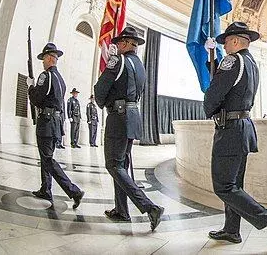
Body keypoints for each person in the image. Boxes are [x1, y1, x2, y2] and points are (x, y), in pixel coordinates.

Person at [204, 22, 267, 250]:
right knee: (234, 185)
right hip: (242, 127)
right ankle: (232, 230)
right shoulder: (250, 62)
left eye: (225, 43)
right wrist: (211, 62)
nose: (225, 48)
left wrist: (208, 107)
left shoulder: (232, 61)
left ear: (234, 41)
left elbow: (216, 92)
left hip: (230, 129)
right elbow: (233, 86)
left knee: (223, 186)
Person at [94, 27, 164, 231]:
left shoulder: (118, 60)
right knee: (121, 166)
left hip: (119, 117)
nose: (117, 47)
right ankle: (121, 211)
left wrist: (105, 103)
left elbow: (100, 88)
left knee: (113, 165)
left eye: (119, 44)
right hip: (133, 116)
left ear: (124, 43)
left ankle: (150, 207)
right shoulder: (140, 65)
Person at [27, 43, 84, 206]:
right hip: (56, 123)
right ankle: (46, 189)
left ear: (49, 58)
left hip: (46, 122)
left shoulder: (46, 76)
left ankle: (74, 191)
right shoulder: (61, 79)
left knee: (47, 159)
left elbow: (37, 99)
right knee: (47, 157)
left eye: (44, 58)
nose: (43, 62)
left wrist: (30, 86)